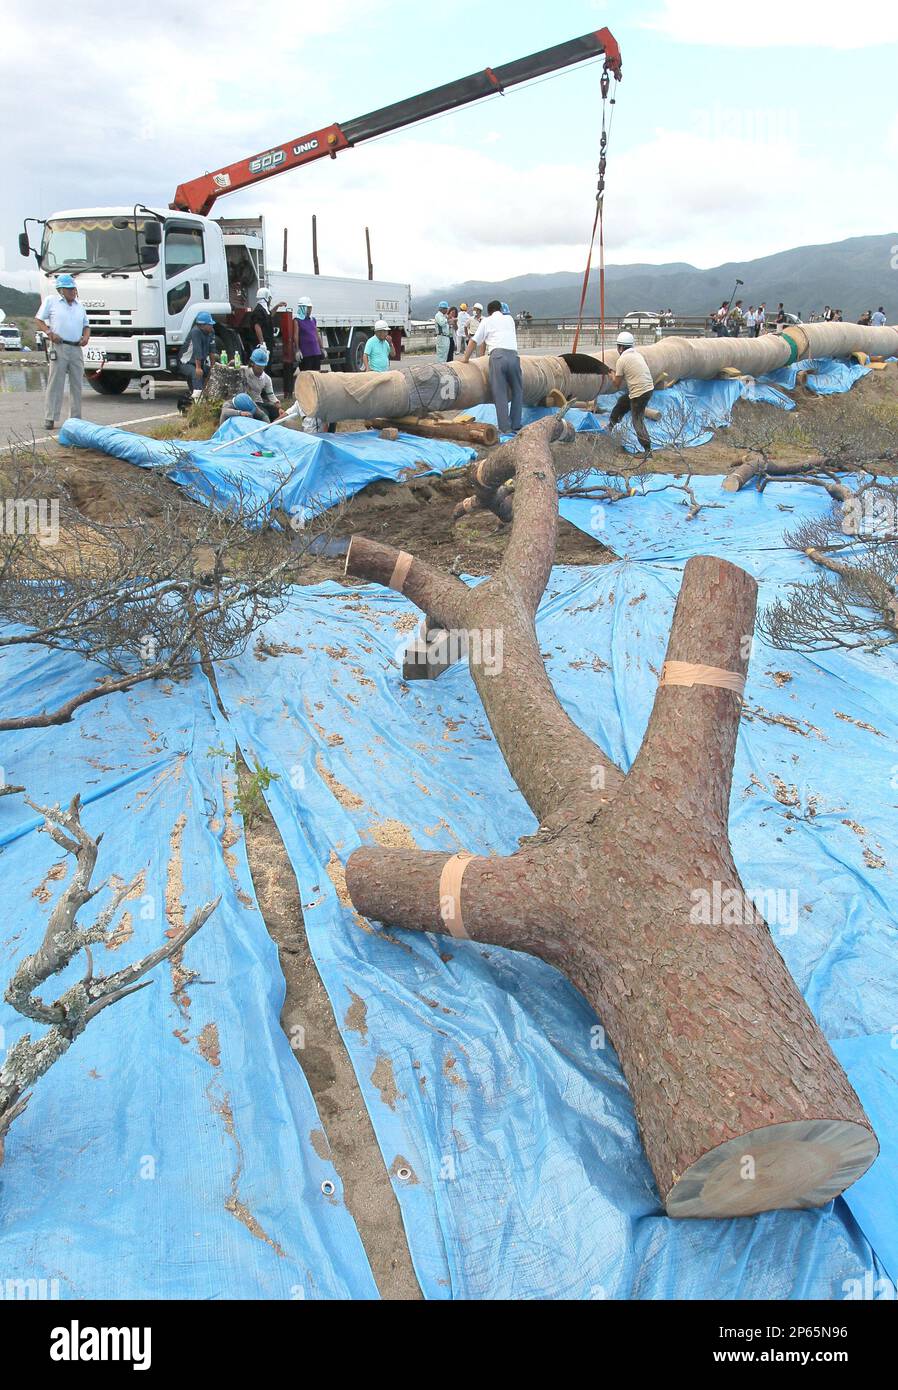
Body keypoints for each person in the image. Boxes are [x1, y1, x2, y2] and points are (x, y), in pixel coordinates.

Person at [35, 273, 90, 429]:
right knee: (55, 383)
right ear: (61, 290)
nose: (73, 291)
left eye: (73, 288)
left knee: (77, 384)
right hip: (60, 346)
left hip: (76, 347)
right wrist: (49, 333)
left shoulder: (80, 306)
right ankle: (50, 417)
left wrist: (86, 337)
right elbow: (39, 319)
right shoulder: (51, 302)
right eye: (69, 289)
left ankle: (75, 419)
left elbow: (86, 325)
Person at [461, 299, 523, 433]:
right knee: (517, 390)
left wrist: (465, 359)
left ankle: (505, 428)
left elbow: (475, 341)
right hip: (514, 357)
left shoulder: (486, 321)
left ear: (488, 312)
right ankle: (516, 424)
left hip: (498, 357)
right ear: (500, 309)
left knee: (500, 393)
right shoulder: (510, 320)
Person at [608, 330, 654, 461]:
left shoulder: (622, 359)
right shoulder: (637, 355)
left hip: (639, 393)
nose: (617, 349)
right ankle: (610, 426)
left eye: (618, 346)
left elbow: (616, 384)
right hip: (647, 389)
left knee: (637, 419)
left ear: (621, 347)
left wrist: (611, 374)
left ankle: (647, 450)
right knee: (622, 402)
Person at [229, 346, 281, 422]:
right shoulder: (244, 370)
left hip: (258, 402)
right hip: (246, 402)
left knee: (275, 412)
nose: (260, 368)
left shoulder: (267, 379)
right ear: (252, 363)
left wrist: (277, 403)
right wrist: (230, 363)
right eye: (258, 366)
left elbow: (271, 395)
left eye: (262, 366)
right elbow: (228, 370)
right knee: (263, 414)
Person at [178, 310, 217, 397]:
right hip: (186, 362)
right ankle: (198, 396)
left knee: (212, 372)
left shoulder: (211, 332)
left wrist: (213, 367)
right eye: (209, 324)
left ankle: (208, 394)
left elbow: (212, 350)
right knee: (197, 374)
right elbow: (197, 350)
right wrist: (198, 368)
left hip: (201, 361)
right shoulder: (196, 332)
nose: (211, 326)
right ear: (202, 325)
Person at [251, 286, 287, 357]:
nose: (270, 300)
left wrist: (277, 306)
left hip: (268, 341)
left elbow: (270, 315)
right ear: (267, 297)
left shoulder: (263, 309)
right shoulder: (258, 310)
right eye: (270, 298)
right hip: (264, 343)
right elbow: (257, 326)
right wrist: (262, 343)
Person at [294, 296, 325, 372]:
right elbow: (296, 336)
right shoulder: (297, 320)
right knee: (307, 376)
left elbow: (316, 335)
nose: (310, 310)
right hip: (306, 353)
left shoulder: (313, 320)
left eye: (310, 307)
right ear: (303, 308)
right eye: (308, 308)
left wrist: (322, 348)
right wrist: (297, 350)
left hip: (316, 352)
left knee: (316, 375)